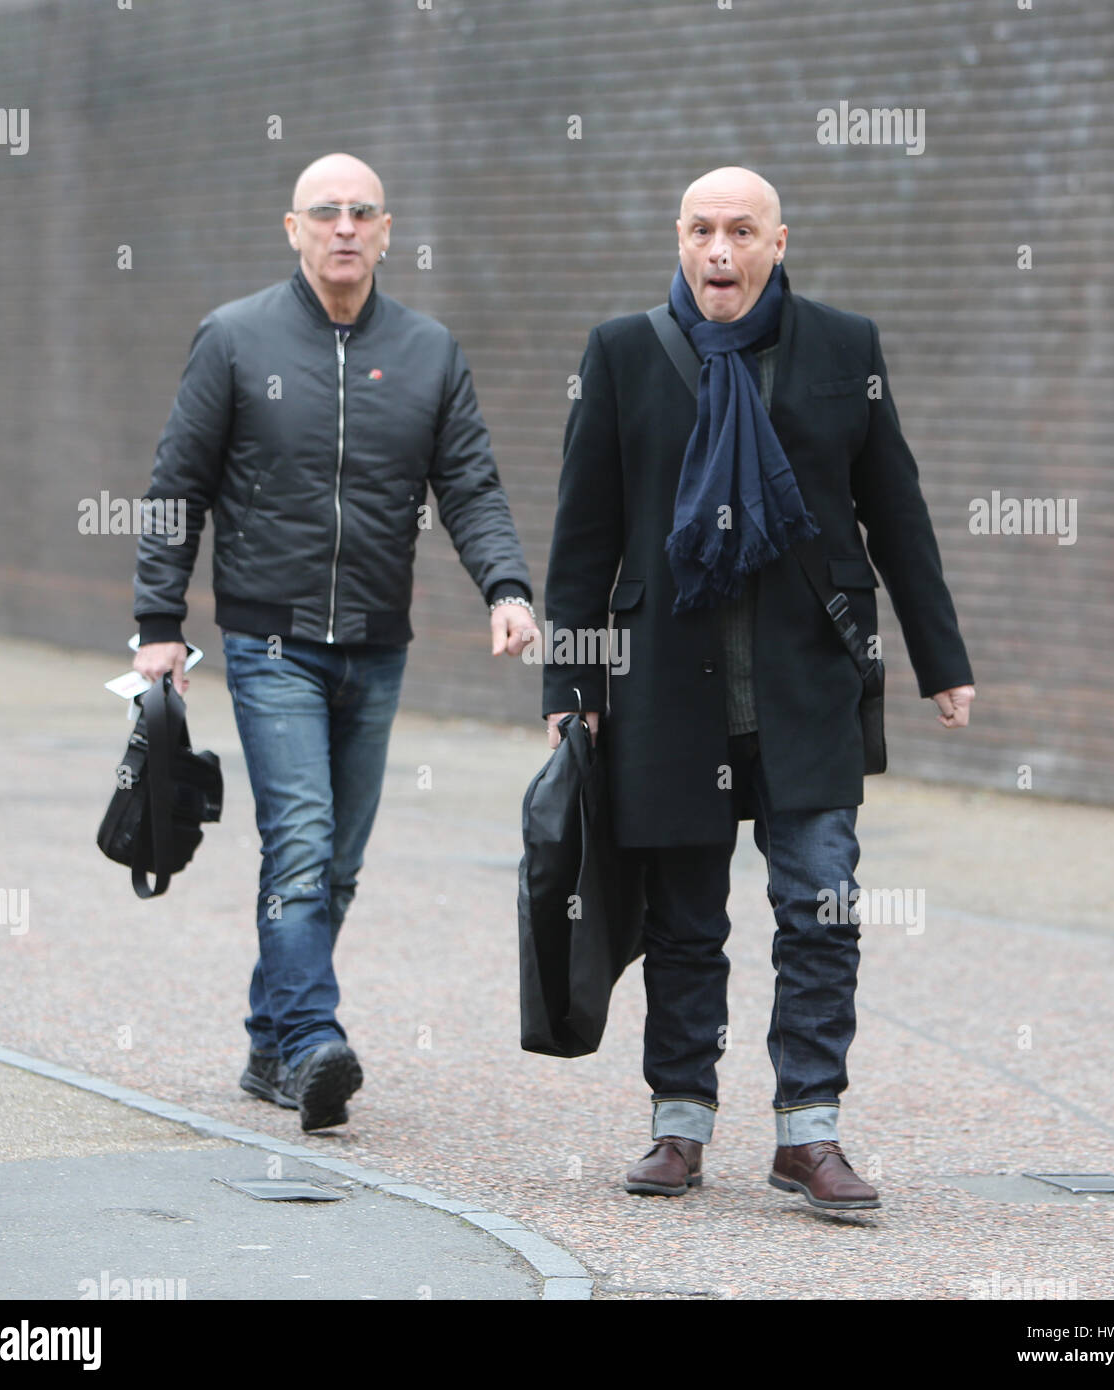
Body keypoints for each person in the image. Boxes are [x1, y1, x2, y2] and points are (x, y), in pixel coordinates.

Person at [542, 166, 974, 1209]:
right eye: (700, 229)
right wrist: (572, 675)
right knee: (684, 922)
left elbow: (895, 511)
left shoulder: (843, 347)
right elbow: (583, 530)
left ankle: (807, 1132)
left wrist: (940, 658)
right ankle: (678, 1125)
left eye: (741, 230)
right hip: (664, 688)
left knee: (821, 906)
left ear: (780, 242)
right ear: (678, 239)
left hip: (807, 680)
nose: (719, 250)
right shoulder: (622, 352)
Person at [132, 153, 538, 1132]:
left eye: (362, 212)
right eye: (326, 212)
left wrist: (507, 587)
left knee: (337, 860)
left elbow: (471, 486)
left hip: (375, 641)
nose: (345, 227)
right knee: (303, 839)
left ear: (387, 230)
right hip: (270, 640)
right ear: (294, 228)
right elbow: (177, 483)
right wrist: (158, 626)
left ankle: (271, 1043)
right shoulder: (234, 339)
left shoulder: (430, 351)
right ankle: (314, 1038)